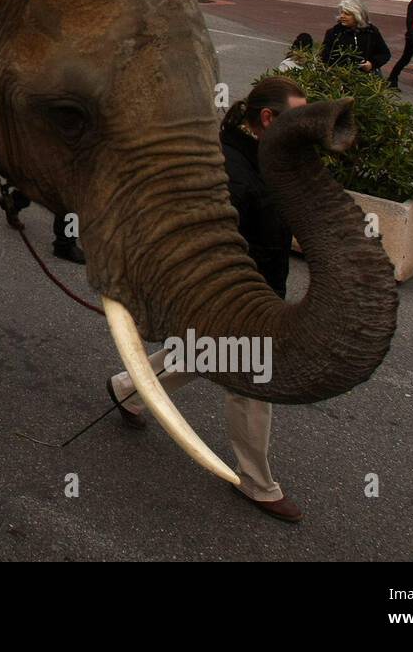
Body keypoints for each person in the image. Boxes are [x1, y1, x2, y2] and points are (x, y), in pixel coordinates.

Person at [107, 77, 309, 523]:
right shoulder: (233, 173)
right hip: (235, 294)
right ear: (268, 119)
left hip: (261, 285)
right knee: (254, 380)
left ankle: (127, 389)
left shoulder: (270, 156)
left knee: (203, 355)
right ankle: (258, 483)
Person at [321, 0, 391, 73]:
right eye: (341, 13)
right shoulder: (334, 33)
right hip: (340, 76)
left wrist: (371, 64)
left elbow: (384, 54)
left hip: (366, 78)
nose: (342, 16)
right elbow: (325, 57)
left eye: (347, 14)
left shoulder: (371, 32)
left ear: (357, 15)